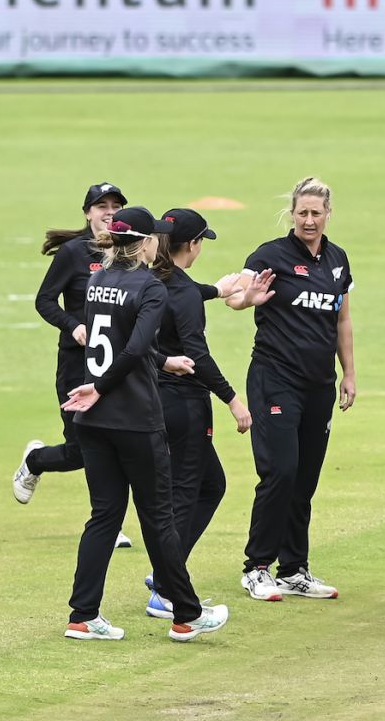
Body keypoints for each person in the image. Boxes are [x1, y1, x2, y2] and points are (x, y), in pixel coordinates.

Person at [59, 206, 227, 642]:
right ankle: (186, 615)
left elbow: (122, 346)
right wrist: (105, 386)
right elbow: (133, 350)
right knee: (159, 519)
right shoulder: (150, 287)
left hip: (93, 419)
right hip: (133, 417)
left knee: (104, 516)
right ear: (147, 242)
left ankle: (83, 615)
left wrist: (99, 387)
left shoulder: (97, 281)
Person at [141, 208, 275, 618]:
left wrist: (219, 291)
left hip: (153, 399)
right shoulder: (178, 290)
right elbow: (197, 354)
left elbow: (184, 294)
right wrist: (233, 399)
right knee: (186, 491)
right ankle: (167, 588)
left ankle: (167, 567)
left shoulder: (154, 280)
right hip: (184, 404)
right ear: (193, 245)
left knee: (209, 485)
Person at [226, 177, 355, 602]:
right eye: (302, 212)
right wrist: (249, 300)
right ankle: (256, 567)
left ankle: (294, 568)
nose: (309, 220)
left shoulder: (338, 261)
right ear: (292, 213)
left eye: (317, 213)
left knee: (304, 478)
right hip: (275, 379)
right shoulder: (271, 255)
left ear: (328, 214)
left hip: (319, 384)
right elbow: (237, 296)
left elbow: (341, 320)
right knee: (279, 471)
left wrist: (348, 373)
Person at [14, 182, 136, 547]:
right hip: (75, 364)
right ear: (87, 212)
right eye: (102, 206)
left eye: (115, 205)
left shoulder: (128, 251)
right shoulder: (73, 253)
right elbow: (45, 300)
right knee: (81, 450)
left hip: (114, 368)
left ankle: (109, 523)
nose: (109, 211)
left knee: (115, 444)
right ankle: (35, 461)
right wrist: (74, 325)